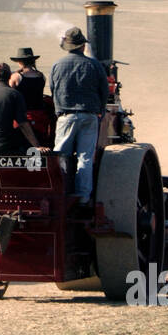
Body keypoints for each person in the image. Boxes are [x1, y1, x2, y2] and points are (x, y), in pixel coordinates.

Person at [49, 26, 108, 207]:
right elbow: (104, 92)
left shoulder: (57, 65)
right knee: (85, 157)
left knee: (61, 156)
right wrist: (101, 111)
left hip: (65, 116)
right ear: (83, 46)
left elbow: (53, 90)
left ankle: (61, 192)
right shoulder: (94, 65)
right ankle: (83, 197)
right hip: (89, 115)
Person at [0, 63, 46, 156]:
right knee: (31, 135)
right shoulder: (14, 94)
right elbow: (23, 124)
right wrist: (37, 146)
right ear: (10, 76)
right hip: (4, 144)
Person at [9, 47, 49, 141]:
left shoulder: (16, 76)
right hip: (39, 114)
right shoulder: (41, 75)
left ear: (19, 62)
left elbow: (9, 95)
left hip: (23, 115)